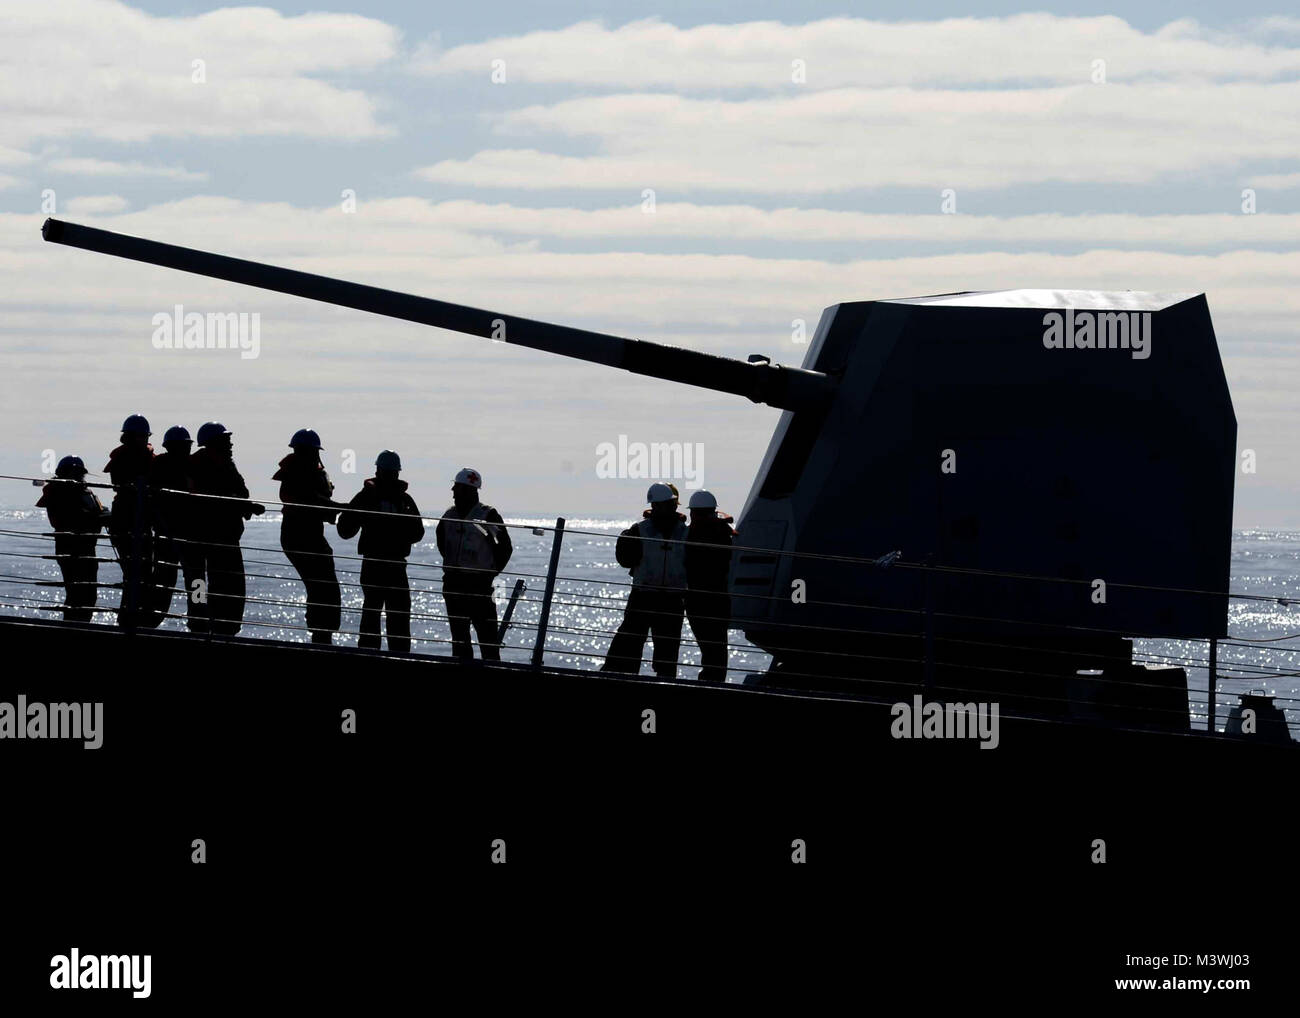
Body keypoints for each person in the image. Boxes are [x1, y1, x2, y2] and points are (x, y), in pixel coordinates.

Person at [336, 451, 424, 653]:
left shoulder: (367, 496)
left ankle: (370, 654)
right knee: (397, 616)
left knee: (372, 614)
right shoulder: (404, 500)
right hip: (394, 565)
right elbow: (417, 532)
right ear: (397, 473)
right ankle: (399, 656)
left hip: (374, 564)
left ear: (377, 470)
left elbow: (345, 530)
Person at [601, 483, 689, 678]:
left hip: (665, 598)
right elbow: (625, 560)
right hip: (650, 596)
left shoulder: (680, 532)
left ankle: (648, 679)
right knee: (632, 643)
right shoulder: (680, 532)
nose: (669, 508)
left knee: (664, 648)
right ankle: (622, 676)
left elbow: (625, 561)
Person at [188, 421, 264, 635]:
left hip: (226, 537)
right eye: (225, 441)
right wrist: (243, 504)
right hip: (207, 537)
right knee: (200, 584)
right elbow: (215, 498)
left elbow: (242, 492)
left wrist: (242, 503)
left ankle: (225, 628)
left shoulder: (226, 464)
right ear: (213, 443)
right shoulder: (200, 466)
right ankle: (201, 625)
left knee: (231, 587)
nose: (230, 445)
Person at [273, 429, 343, 645]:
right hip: (301, 536)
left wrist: (336, 508)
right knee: (322, 587)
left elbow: (318, 502)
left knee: (321, 586)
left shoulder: (301, 472)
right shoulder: (299, 474)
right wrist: (342, 508)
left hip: (305, 536)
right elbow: (314, 502)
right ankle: (322, 635)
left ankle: (322, 634)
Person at [435, 467, 513, 661]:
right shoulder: (448, 516)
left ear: (469, 490)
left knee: (488, 640)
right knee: (459, 640)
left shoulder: (488, 516)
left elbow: (504, 547)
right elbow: (442, 542)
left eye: (457, 488)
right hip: (453, 583)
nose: (453, 492)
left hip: (480, 586)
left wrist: (490, 573)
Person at [36, 456, 111, 622]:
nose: (78, 476)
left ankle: (78, 625)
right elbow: (76, 518)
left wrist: (104, 514)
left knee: (87, 595)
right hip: (71, 547)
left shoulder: (81, 492)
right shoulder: (60, 493)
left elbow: (93, 510)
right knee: (78, 594)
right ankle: (73, 626)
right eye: (75, 473)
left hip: (87, 548)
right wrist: (101, 518)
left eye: (80, 474)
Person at [103, 412, 160, 628]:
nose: (146, 440)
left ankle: (133, 617)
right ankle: (129, 618)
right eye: (143, 437)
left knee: (141, 572)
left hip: (139, 520)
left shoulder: (132, 457)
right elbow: (123, 486)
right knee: (134, 571)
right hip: (128, 519)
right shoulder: (125, 460)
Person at [150, 425, 202, 629]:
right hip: (174, 532)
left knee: (191, 579)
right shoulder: (166, 466)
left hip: (181, 532)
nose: (186, 449)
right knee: (179, 578)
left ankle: (197, 617)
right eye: (184, 445)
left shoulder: (186, 466)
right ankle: (194, 618)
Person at [684, 490, 735, 683]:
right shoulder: (723, 532)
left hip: (698, 598)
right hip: (719, 597)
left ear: (694, 512)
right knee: (718, 647)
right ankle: (714, 681)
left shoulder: (691, 533)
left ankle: (709, 681)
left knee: (708, 646)